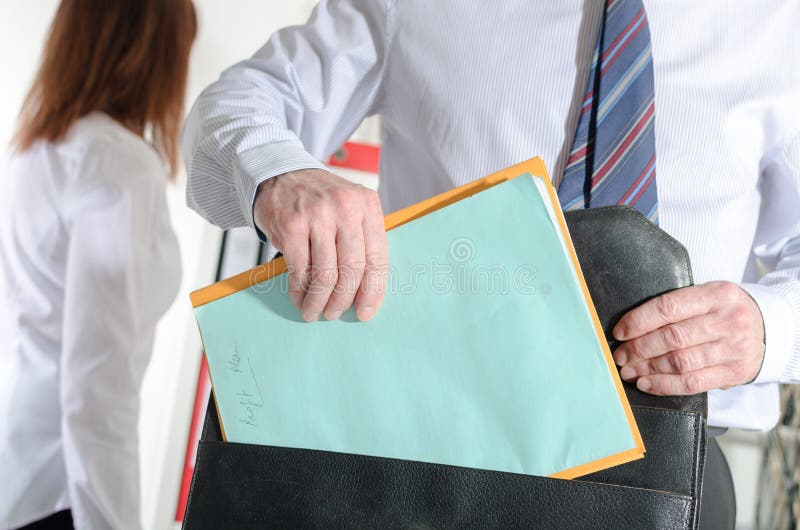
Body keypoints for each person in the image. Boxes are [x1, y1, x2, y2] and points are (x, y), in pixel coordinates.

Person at [182, 1, 800, 527]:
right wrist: (280, 173)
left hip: (671, 474)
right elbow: (236, 102)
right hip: (425, 462)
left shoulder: (778, 24)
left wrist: (767, 327)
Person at [0, 1, 196, 528]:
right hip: (68, 490)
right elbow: (97, 384)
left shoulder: (37, 148)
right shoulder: (119, 164)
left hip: (21, 475)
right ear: (154, 55)